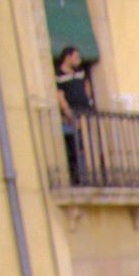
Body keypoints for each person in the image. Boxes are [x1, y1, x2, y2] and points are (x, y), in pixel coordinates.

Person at [52, 46, 98, 186]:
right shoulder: (59, 75)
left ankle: (87, 178)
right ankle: (78, 179)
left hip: (84, 116)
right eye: (76, 57)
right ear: (68, 57)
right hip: (70, 119)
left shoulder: (80, 72)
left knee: (85, 148)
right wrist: (68, 113)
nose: (79, 60)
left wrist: (89, 102)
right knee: (74, 148)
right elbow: (60, 96)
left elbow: (87, 87)